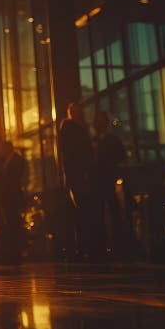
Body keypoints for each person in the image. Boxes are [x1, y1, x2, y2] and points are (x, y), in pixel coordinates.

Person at [58, 102, 97, 260]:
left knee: (82, 212)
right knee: (83, 212)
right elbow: (74, 153)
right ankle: (85, 247)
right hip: (79, 176)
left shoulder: (73, 128)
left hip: (78, 176)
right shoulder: (73, 129)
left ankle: (84, 247)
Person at [0, 138, 28, 265]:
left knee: (13, 226)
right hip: (2, 198)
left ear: (9, 148)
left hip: (12, 198)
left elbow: (17, 179)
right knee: (5, 227)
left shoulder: (18, 161)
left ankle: (13, 255)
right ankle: (5, 255)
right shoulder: (1, 160)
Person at [92, 111, 127, 257]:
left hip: (106, 179)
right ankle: (109, 245)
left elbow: (121, 156)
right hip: (100, 181)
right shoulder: (96, 141)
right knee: (105, 212)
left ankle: (116, 244)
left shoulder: (107, 141)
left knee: (111, 211)